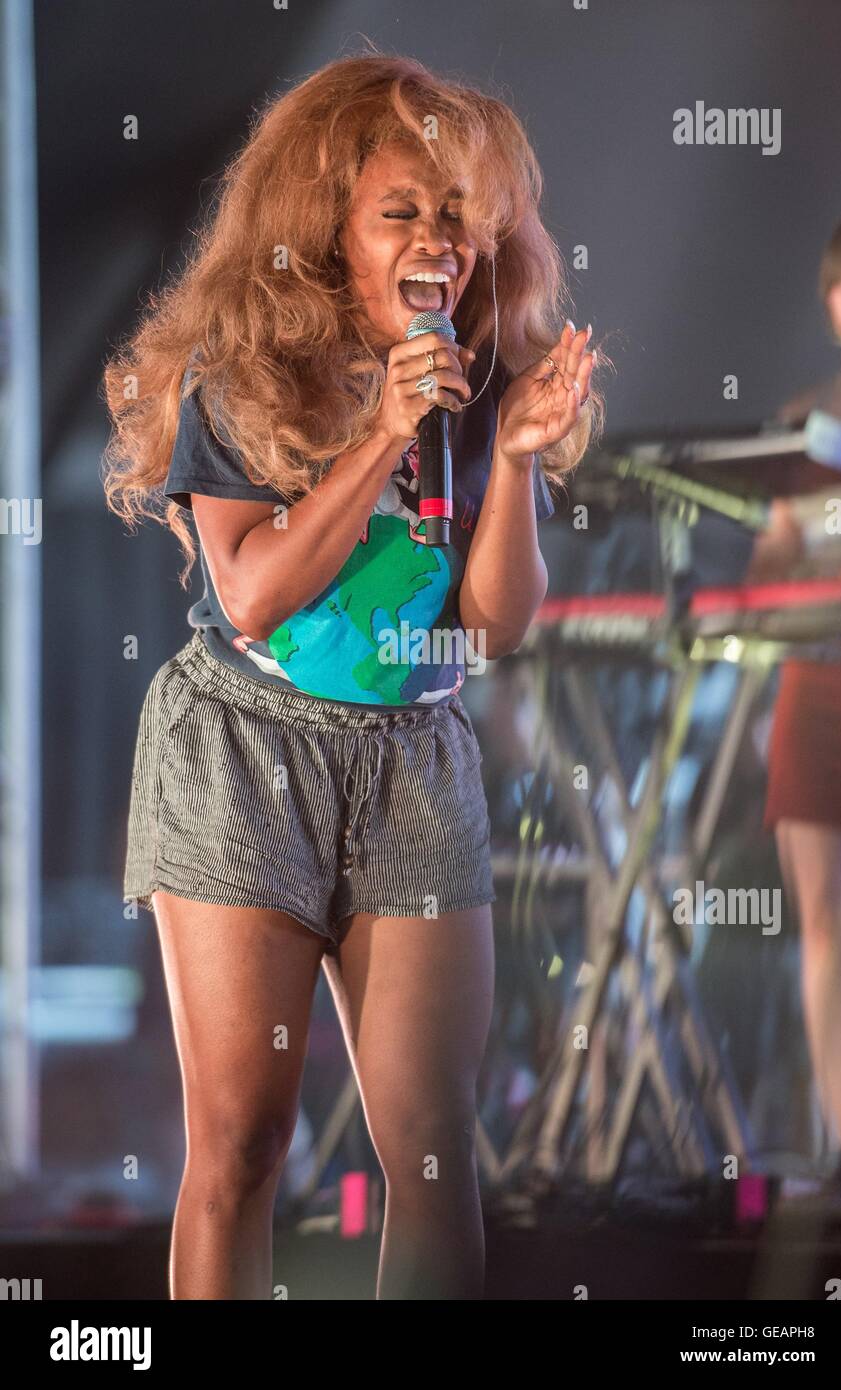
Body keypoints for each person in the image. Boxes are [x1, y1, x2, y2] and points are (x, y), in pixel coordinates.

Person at [101, 52, 600, 1300]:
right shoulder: (244, 368)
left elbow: (487, 629)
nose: (439, 241)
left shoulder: (476, 379)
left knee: (433, 1157)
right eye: (402, 213)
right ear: (329, 229)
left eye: (458, 218)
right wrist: (381, 426)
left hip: (415, 763)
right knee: (245, 1140)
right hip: (244, 748)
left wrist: (522, 459)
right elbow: (253, 591)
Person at [747, 207, 841, 1200]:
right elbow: (767, 570)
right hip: (819, 682)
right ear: (832, 302)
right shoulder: (801, 422)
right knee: (824, 919)